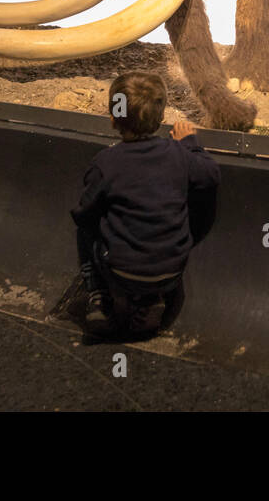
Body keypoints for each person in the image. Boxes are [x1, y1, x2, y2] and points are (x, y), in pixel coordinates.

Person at [72, 71, 220, 338]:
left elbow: (84, 215)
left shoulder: (106, 162)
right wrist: (190, 144)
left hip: (120, 270)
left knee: (83, 232)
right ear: (161, 116)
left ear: (113, 118)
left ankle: (100, 297)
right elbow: (211, 175)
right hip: (171, 269)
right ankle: (151, 299)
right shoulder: (179, 155)